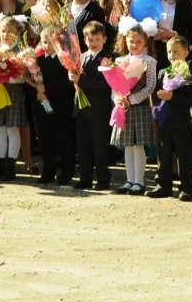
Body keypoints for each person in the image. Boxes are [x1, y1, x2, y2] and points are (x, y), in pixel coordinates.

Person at [109, 19, 158, 196]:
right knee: (127, 145)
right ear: (125, 40)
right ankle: (129, 180)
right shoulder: (121, 60)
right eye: (131, 41)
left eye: (139, 42)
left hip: (139, 107)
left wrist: (132, 99)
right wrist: (118, 99)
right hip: (124, 108)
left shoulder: (149, 61)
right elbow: (114, 85)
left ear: (145, 41)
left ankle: (139, 181)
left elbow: (150, 86)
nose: (135, 45)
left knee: (138, 146)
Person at [151, 35, 192, 200]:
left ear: (185, 52)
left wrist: (173, 97)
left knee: (183, 154)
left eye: (176, 52)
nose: (171, 55)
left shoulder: (190, 72)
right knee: (164, 153)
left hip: (181, 120)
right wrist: (158, 98)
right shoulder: (163, 72)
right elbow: (156, 94)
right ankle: (163, 185)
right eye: (169, 52)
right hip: (164, 120)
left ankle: (186, 187)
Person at [0, 15, 29, 182]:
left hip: (14, 90)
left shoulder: (21, 51)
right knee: (0, 129)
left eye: (10, 31)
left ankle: (10, 168)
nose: (6, 34)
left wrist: (11, 69)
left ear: (18, 32)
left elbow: (24, 73)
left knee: (12, 129)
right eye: (3, 31)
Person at [72, 21, 113, 191]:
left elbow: (104, 84)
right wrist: (73, 77)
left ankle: (103, 180)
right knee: (83, 147)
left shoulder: (108, 58)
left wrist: (79, 80)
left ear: (104, 39)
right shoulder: (80, 57)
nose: (93, 43)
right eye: (90, 39)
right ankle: (85, 178)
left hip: (99, 109)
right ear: (84, 39)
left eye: (97, 39)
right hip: (81, 109)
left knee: (99, 146)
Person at [32, 27, 77, 186]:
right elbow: (33, 79)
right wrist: (38, 91)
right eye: (44, 42)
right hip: (42, 104)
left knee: (63, 138)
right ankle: (48, 170)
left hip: (61, 105)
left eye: (50, 42)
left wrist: (46, 90)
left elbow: (66, 84)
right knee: (45, 138)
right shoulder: (38, 61)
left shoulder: (64, 60)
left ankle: (67, 171)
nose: (46, 45)